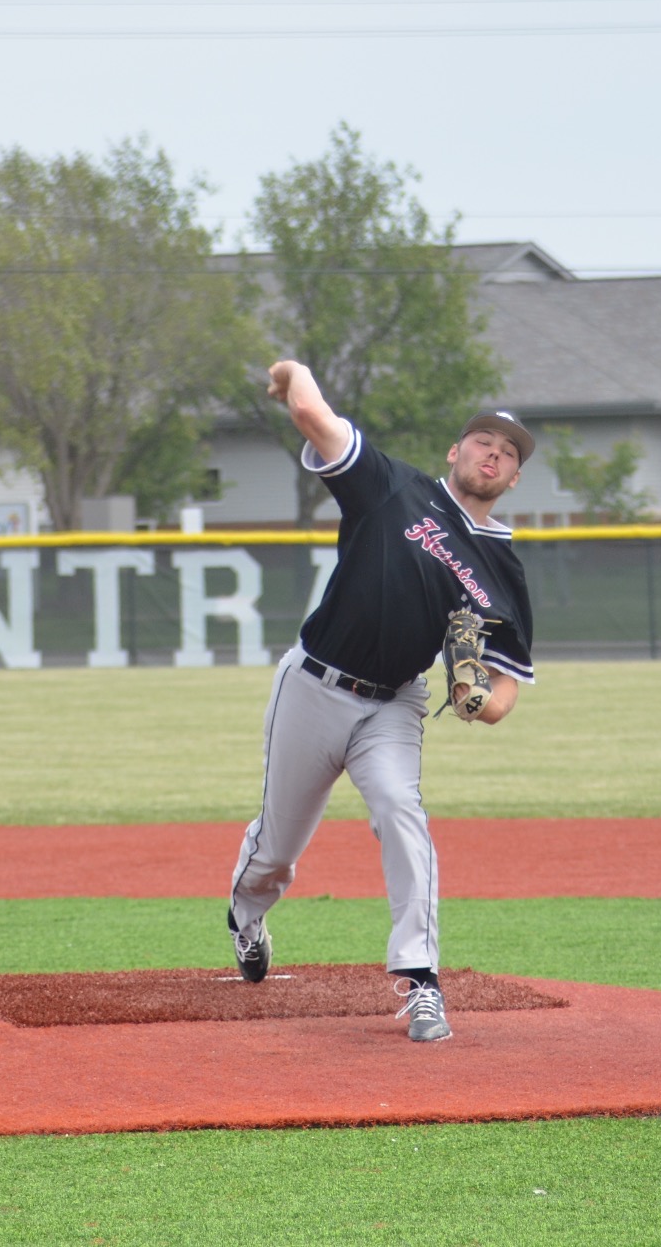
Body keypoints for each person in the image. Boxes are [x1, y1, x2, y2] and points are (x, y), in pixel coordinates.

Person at [227, 358, 536, 1042]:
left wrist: (480, 702)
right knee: (277, 847)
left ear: (514, 478)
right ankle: (246, 915)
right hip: (312, 685)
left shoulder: (502, 569)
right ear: (455, 451)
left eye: (509, 453)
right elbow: (311, 415)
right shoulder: (393, 487)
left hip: (395, 703)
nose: (493, 453)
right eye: (483, 441)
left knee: (402, 812)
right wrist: (292, 371)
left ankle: (422, 983)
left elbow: (507, 684)